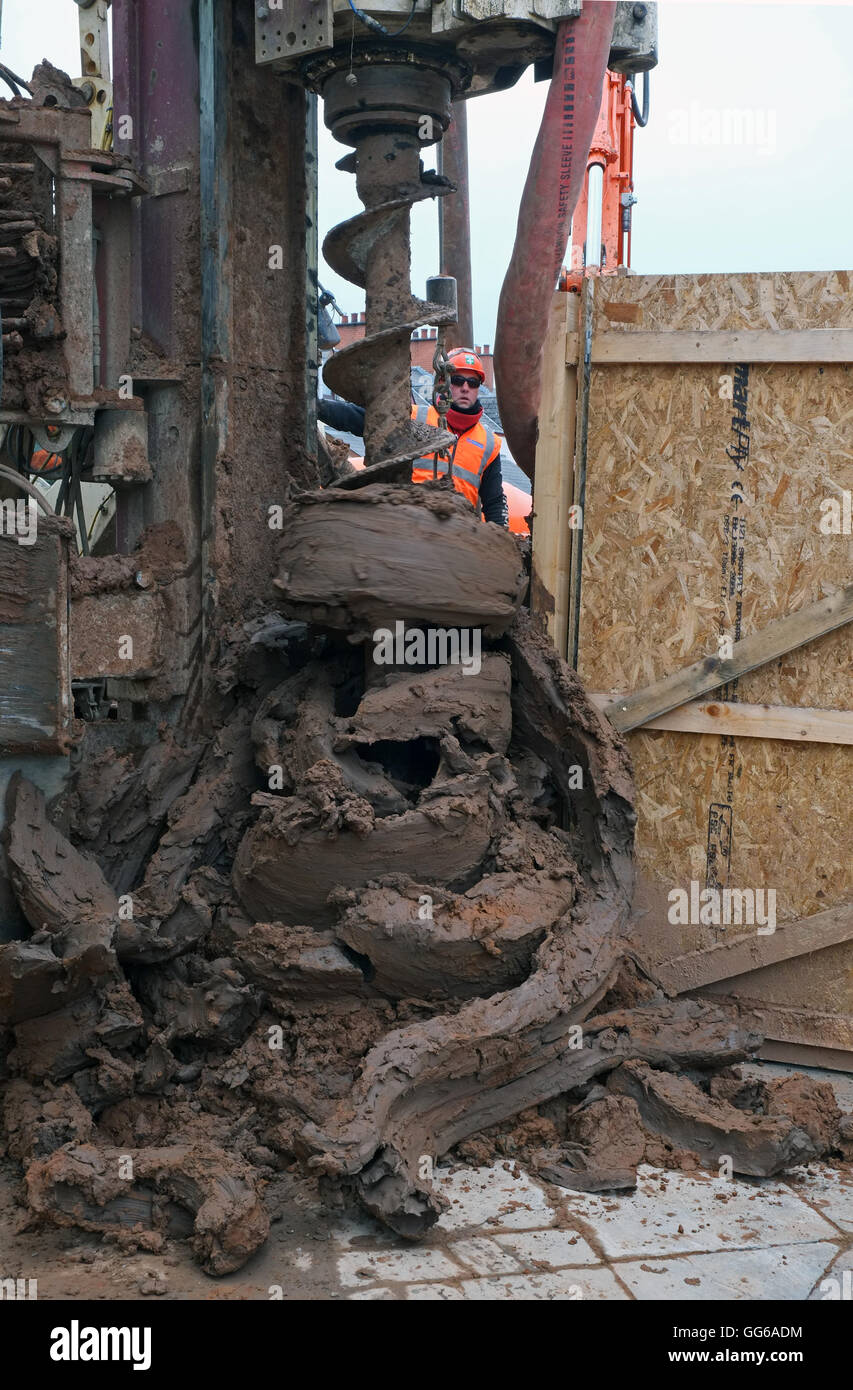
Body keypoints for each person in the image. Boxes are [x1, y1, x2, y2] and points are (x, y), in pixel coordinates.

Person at [317, 348, 509, 528]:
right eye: (457, 380)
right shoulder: (414, 417)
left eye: (473, 382)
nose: (465, 388)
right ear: (443, 382)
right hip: (406, 523)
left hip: (456, 532)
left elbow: (494, 503)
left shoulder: (489, 443)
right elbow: (360, 418)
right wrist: (318, 408)